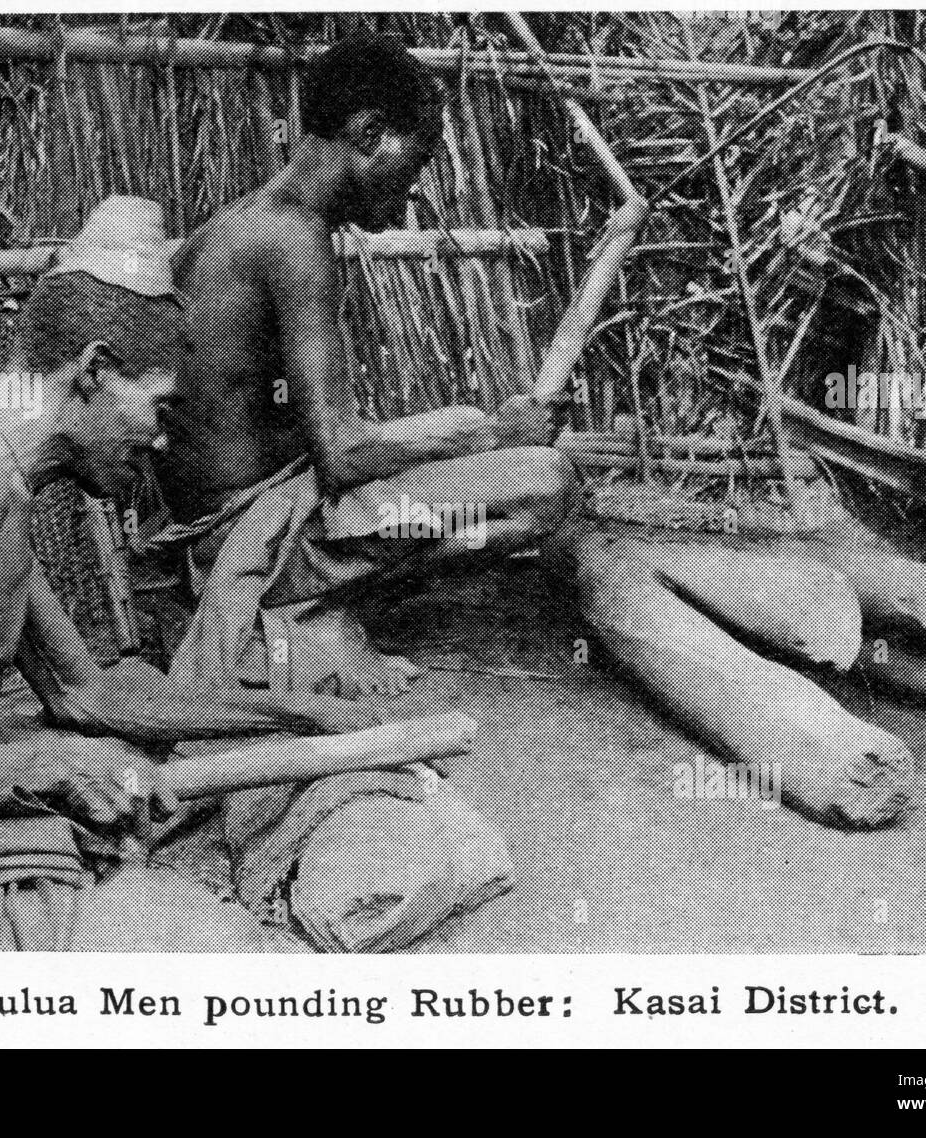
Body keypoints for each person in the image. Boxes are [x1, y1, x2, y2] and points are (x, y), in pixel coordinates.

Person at [0, 197, 372, 953]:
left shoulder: (1, 488)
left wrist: (302, 714)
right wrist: (45, 763)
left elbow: (85, 694)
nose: (165, 441)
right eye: (160, 408)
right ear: (95, 371)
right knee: (217, 952)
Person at [149, 37, 579, 950]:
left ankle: (318, 614)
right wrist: (486, 433)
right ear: (368, 131)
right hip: (258, 534)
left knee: (451, 474)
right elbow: (342, 455)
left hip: (246, 513)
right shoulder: (295, 242)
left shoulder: (234, 229)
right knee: (542, 483)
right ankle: (307, 608)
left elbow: (306, 434)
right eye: (411, 166)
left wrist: (438, 442)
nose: (413, 191)